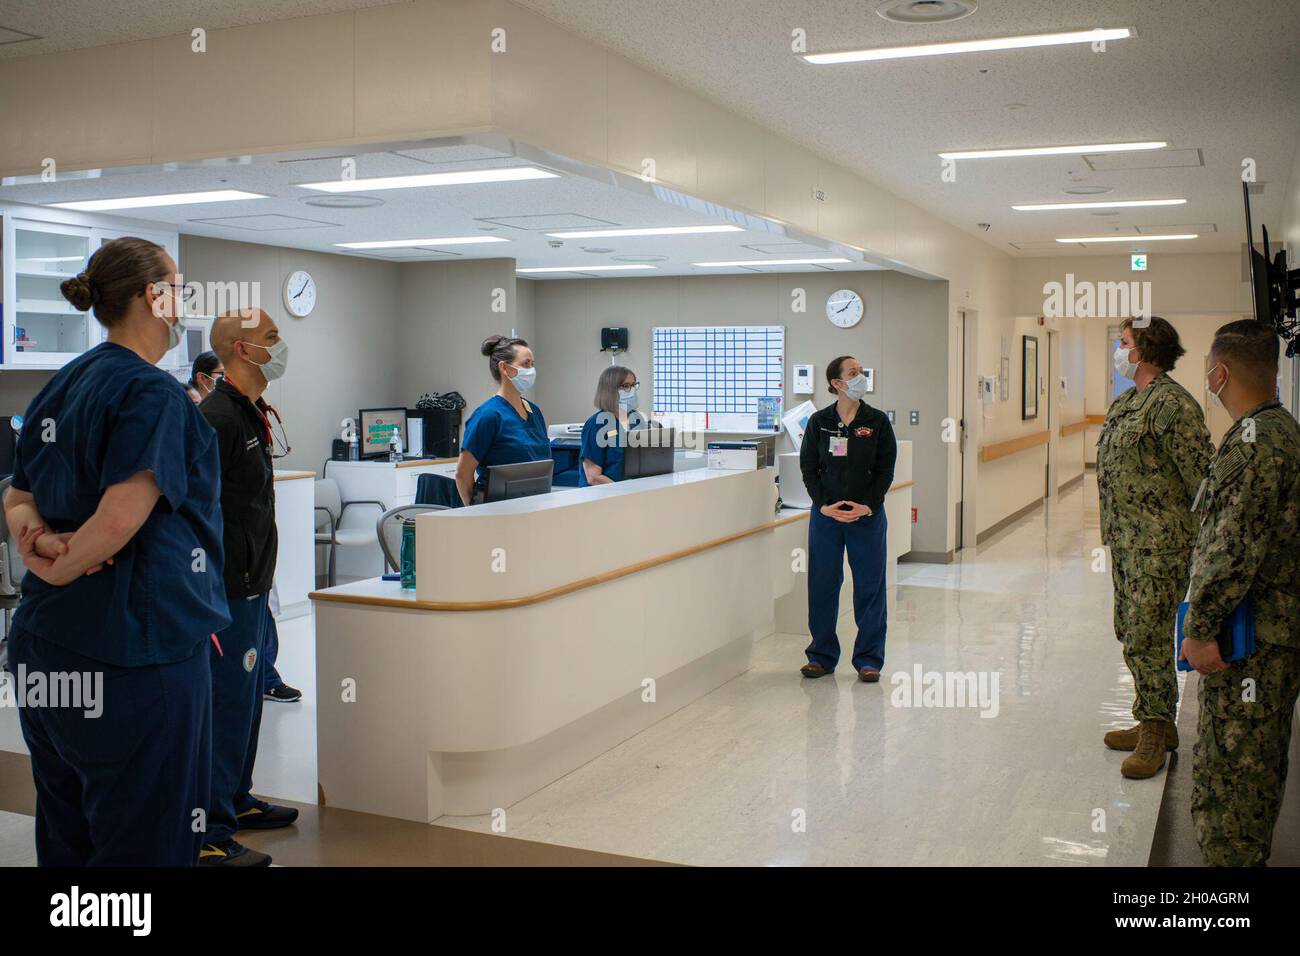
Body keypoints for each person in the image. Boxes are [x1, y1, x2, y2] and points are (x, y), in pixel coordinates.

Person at [1, 237, 229, 865]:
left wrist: (43, 551)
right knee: (147, 843)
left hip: (46, 646)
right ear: (154, 297)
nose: (183, 301)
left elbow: (15, 499)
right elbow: (118, 520)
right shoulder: (155, 395)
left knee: (68, 830)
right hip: (132, 655)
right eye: (177, 287)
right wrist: (68, 562)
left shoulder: (64, 383)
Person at [1181, 320, 1300, 867]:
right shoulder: (1278, 429)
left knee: (1234, 780)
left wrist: (1200, 630)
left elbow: (1232, 551)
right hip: (1272, 636)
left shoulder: (1254, 445)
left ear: (1220, 372)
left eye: (1208, 367)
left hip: (1250, 645)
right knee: (1257, 767)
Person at [197, 308, 299, 866]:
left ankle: (236, 800)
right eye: (271, 338)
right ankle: (208, 830)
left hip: (253, 584)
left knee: (247, 702)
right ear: (241, 348)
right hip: (224, 592)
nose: (281, 347)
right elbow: (196, 510)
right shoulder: (217, 418)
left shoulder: (249, 411)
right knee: (223, 708)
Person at [1096, 316, 1212, 779]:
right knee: (1130, 629)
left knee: (1147, 633)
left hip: (1160, 544)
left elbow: (1202, 481)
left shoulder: (1173, 407)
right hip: (1125, 541)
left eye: (1122, 343)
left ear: (1143, 350)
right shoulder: (1127, 403)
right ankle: (1155, 718)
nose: (1118, 350)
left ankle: (1154, 730)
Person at [798, 355, 896, 683]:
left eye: (861, 371)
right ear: (837, 383)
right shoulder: (819, 422)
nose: (861, 376)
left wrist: (867, 506)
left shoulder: (877, 421)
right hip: (826, 517)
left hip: (866, 518)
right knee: (823, 585)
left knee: (869, 587)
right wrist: (822, 505)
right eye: (853, 373)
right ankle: (821, 656)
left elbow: (885, 470)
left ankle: (869, 659)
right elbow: (809, 467)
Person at [455, 335, 550, 505]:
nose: (531, 370)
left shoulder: (534, 412)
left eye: (532, 364)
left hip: (534, 506)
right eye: (525, 364)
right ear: (504, 368)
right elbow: (463, 474)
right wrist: (473, 512)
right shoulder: (488, 416)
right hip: (496, 511)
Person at [580, 365, 648, 486]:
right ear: (610, 390)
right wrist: (624, 491)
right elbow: (593, 477)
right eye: (626, 386)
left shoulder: (637, 420)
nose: (632, 390)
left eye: (633, 385)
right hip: (603, 496)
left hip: (633, 492)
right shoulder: (597, 424)